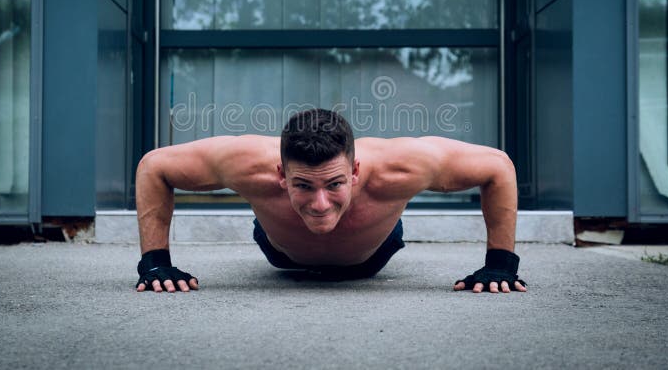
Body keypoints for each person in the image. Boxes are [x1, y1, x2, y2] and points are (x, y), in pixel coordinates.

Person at [135, 108, 527, 294]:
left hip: (373, 250)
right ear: (280, 174)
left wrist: (500, 266)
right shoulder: (245, 163)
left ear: (355, 171)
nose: (320, 204)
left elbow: (499, 167)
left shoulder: (401, 167)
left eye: (335, 184)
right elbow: (155, 167)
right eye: (303, 185)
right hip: (281, 249)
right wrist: (155, 264)